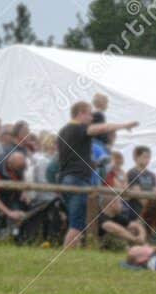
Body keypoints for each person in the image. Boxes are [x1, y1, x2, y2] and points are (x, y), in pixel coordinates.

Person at [57, 100, 138, 249]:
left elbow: (71, 159)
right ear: (80, 113)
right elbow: (103, 128)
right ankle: (64, 256)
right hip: (78, 180)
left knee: (75, 221)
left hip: (65, 179)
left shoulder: (63, 131)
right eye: (89, 114)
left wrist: (93, 164)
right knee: (77, 224)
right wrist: (124, 126)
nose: (91, 118)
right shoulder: (79, 128)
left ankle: (68, 253)